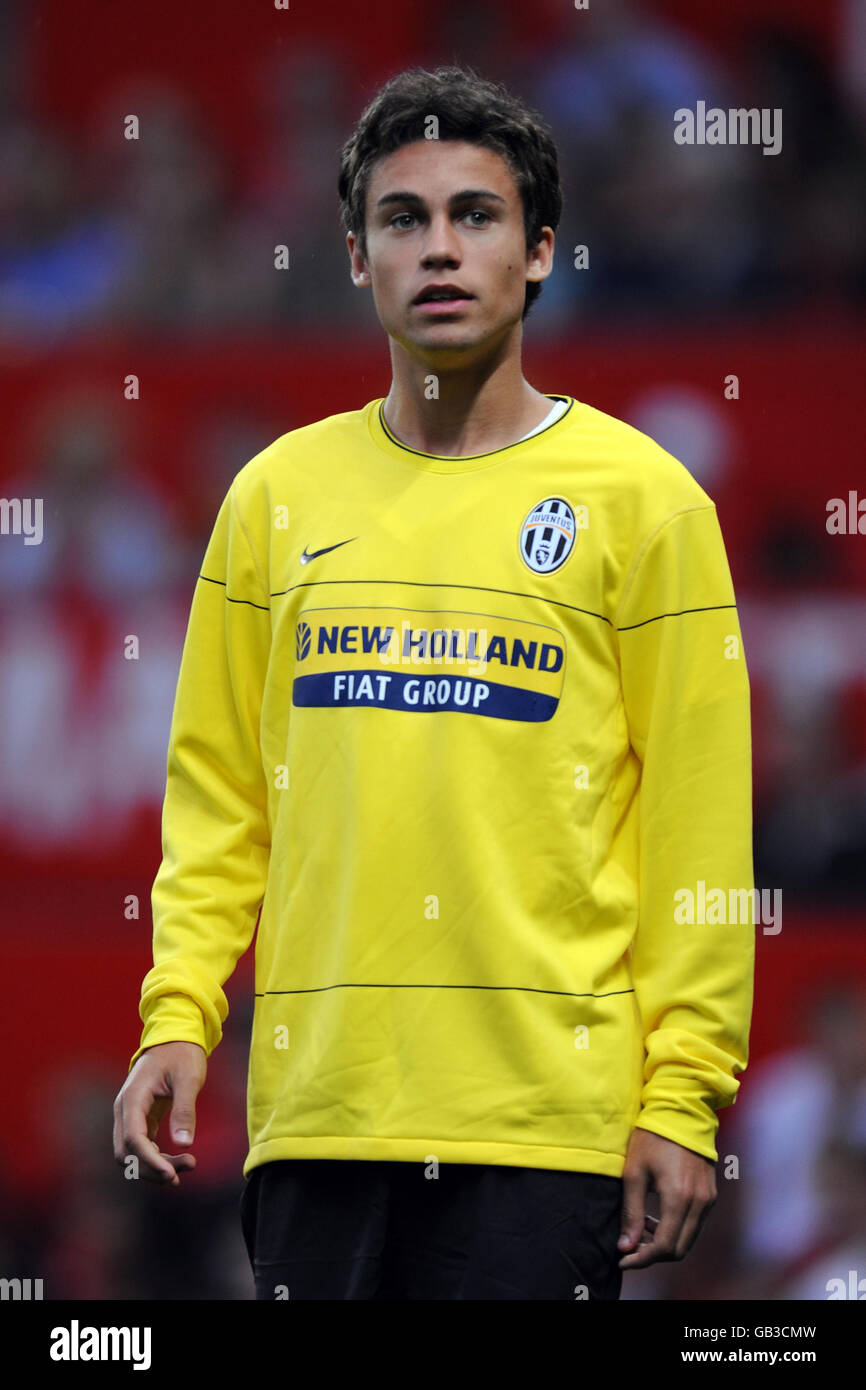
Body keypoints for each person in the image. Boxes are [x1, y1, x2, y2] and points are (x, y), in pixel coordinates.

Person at [113, 64, 755, 1301]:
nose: (440, 248)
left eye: (477, 215)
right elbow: (216, 800)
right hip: (320, 1119)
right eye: (403, 220)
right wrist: (179, 1014)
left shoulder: (647, 504)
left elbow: (697, 836)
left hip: (541, 1132)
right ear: (357, 259)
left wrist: (682, 1096)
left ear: (540, 252)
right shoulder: (272, 501)